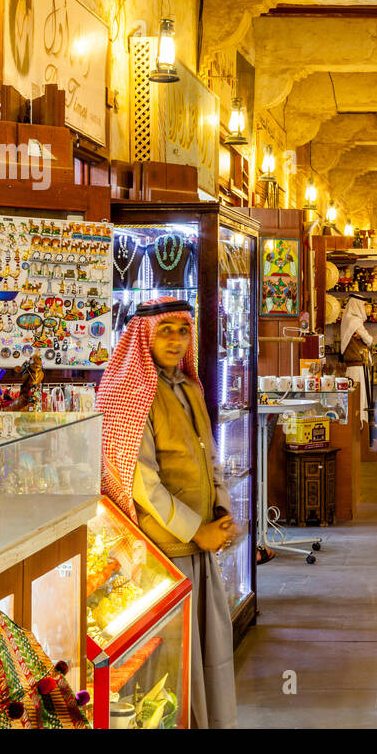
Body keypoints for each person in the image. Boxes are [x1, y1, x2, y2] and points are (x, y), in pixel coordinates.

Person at [96, 297, 241, 728]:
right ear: (144, 335)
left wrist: (223, 511)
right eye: (166, 331)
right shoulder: (130, 393)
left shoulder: (189, 387)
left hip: (200, 543)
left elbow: (208, 455)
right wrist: (198, 532)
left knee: (208, 651)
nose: (177, 340)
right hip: (165, 553)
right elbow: (142, 485)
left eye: (183, 330)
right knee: (172, 659)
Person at [340, 295, 375, 425]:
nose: (365, 308)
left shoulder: (351, 321)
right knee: (359, 400)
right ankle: (360, 428)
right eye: (364, 305)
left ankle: (361, 429)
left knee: (358, 399)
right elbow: (369, 339)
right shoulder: (353, 322)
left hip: (357, 367)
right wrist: (364, 338)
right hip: (357, 368)